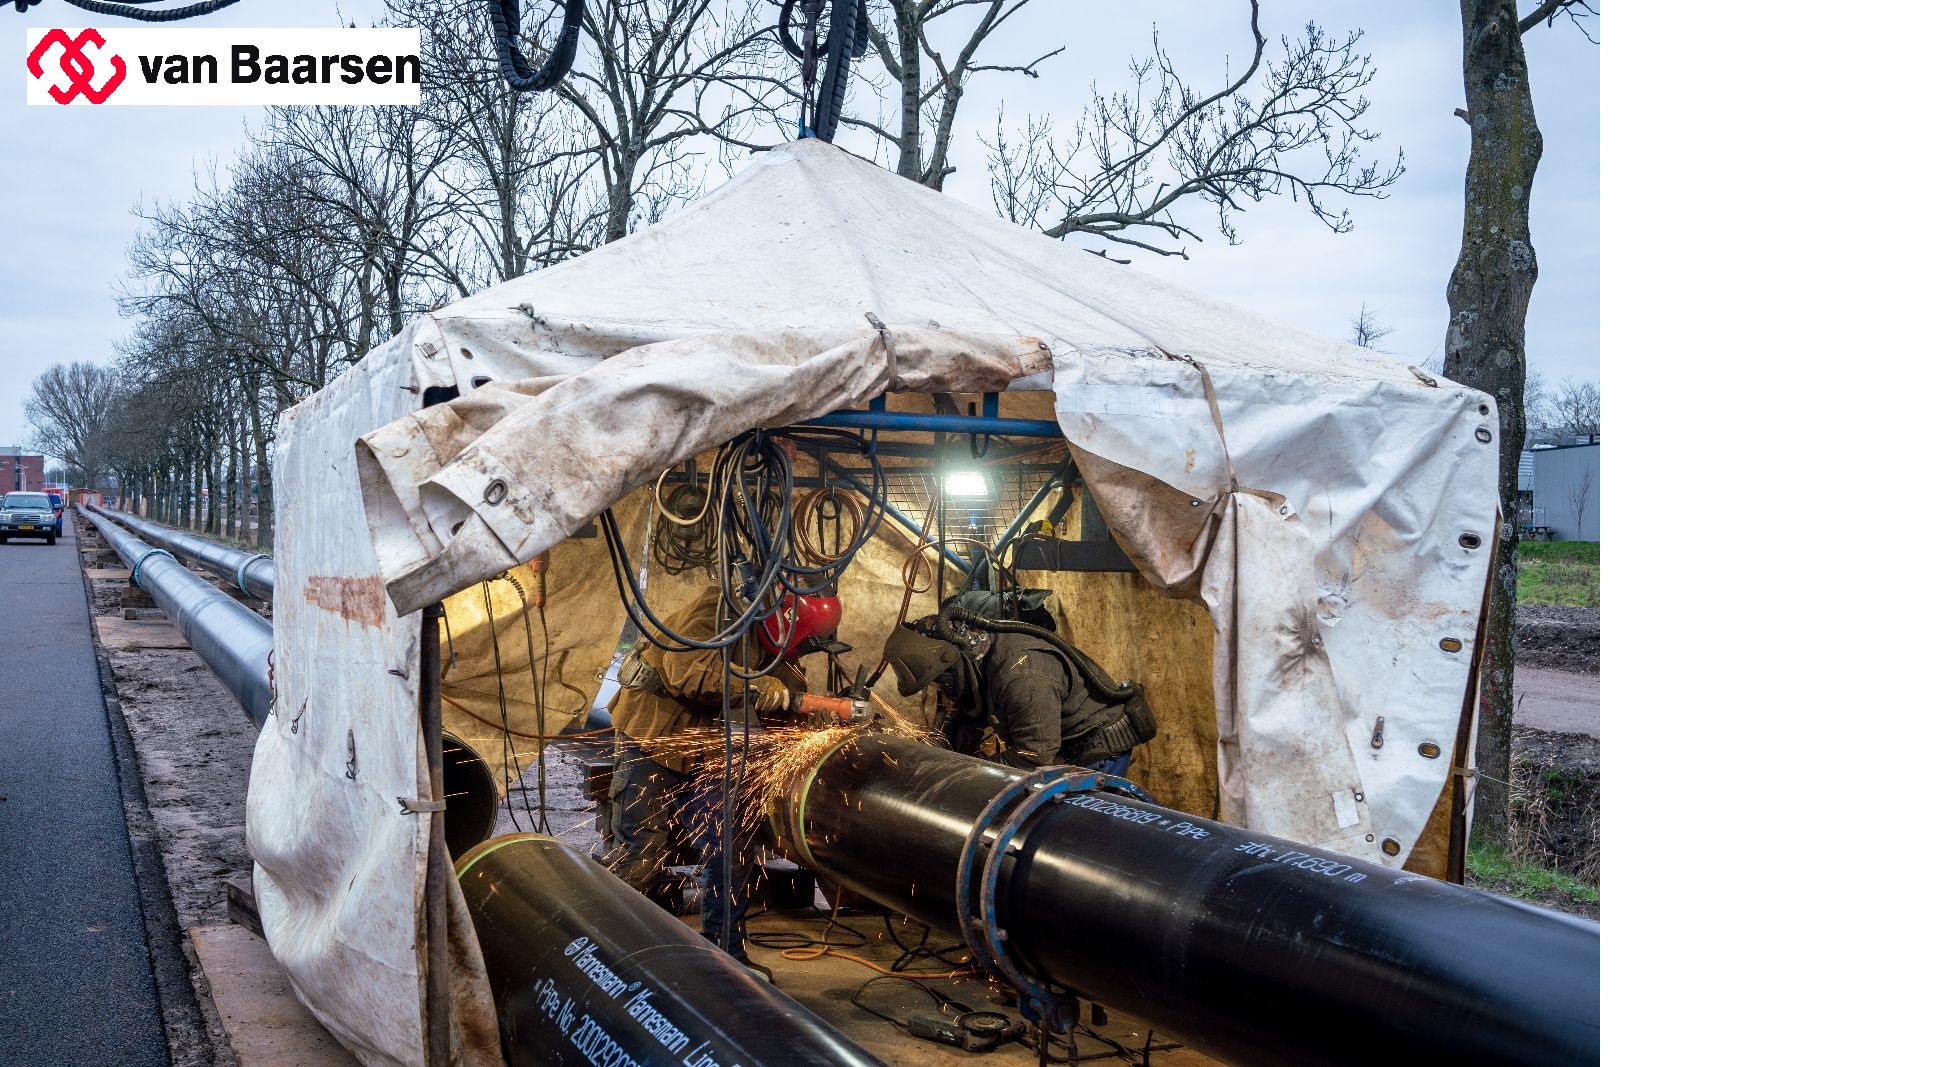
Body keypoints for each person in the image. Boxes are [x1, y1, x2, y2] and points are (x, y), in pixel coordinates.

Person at [599, 586, 842, 976]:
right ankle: (607, 957)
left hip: (702, 740)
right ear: (783, 620)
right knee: (642, 853)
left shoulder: (774, 639)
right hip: (650, 734)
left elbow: (789, 685)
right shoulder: (719, 607)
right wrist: (769, 693)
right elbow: (689, 675)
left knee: (730, 844)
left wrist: (819, 722)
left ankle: (725, 956)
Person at [882, 591, 1154, 775]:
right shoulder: (980, 657)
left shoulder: (1020, 672)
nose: (945, 689)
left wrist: (964, 771)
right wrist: (937, 751)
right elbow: (968, 717)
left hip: (1094, 751)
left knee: (1073, 838)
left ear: (956, 657)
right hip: (1055, 747)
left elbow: (1032, 759)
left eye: (943, 680)